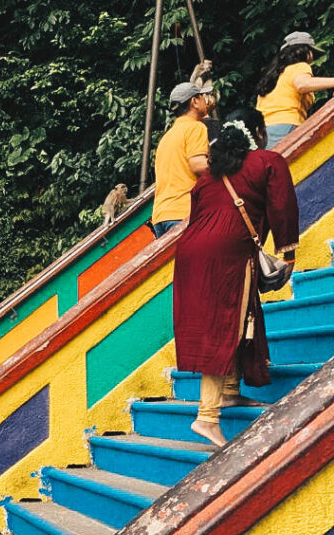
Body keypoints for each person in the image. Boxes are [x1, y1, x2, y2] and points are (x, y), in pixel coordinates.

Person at [173, 108, 299, 447]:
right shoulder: (268, 161)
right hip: (227, 251)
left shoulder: (211, 175)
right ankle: (207, 417)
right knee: (223, 321)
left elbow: (198, 212)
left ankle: (229, 392)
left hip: (192, 251)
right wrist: (288, 252)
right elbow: (282, 206)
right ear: (257, 132)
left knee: (238, 314)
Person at [151, 82, 213, 238]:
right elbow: (198, 165)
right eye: (202, 97)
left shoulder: (166, 138)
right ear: (194, 102)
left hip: (160, 216)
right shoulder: (195, 127)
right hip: (183, 212)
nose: (206, 100)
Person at [256, 32, 334, 149]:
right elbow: (302, 84)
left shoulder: (272, 76)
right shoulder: (300, 66)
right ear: (304, 52)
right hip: (286, 125)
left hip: (264, 130)